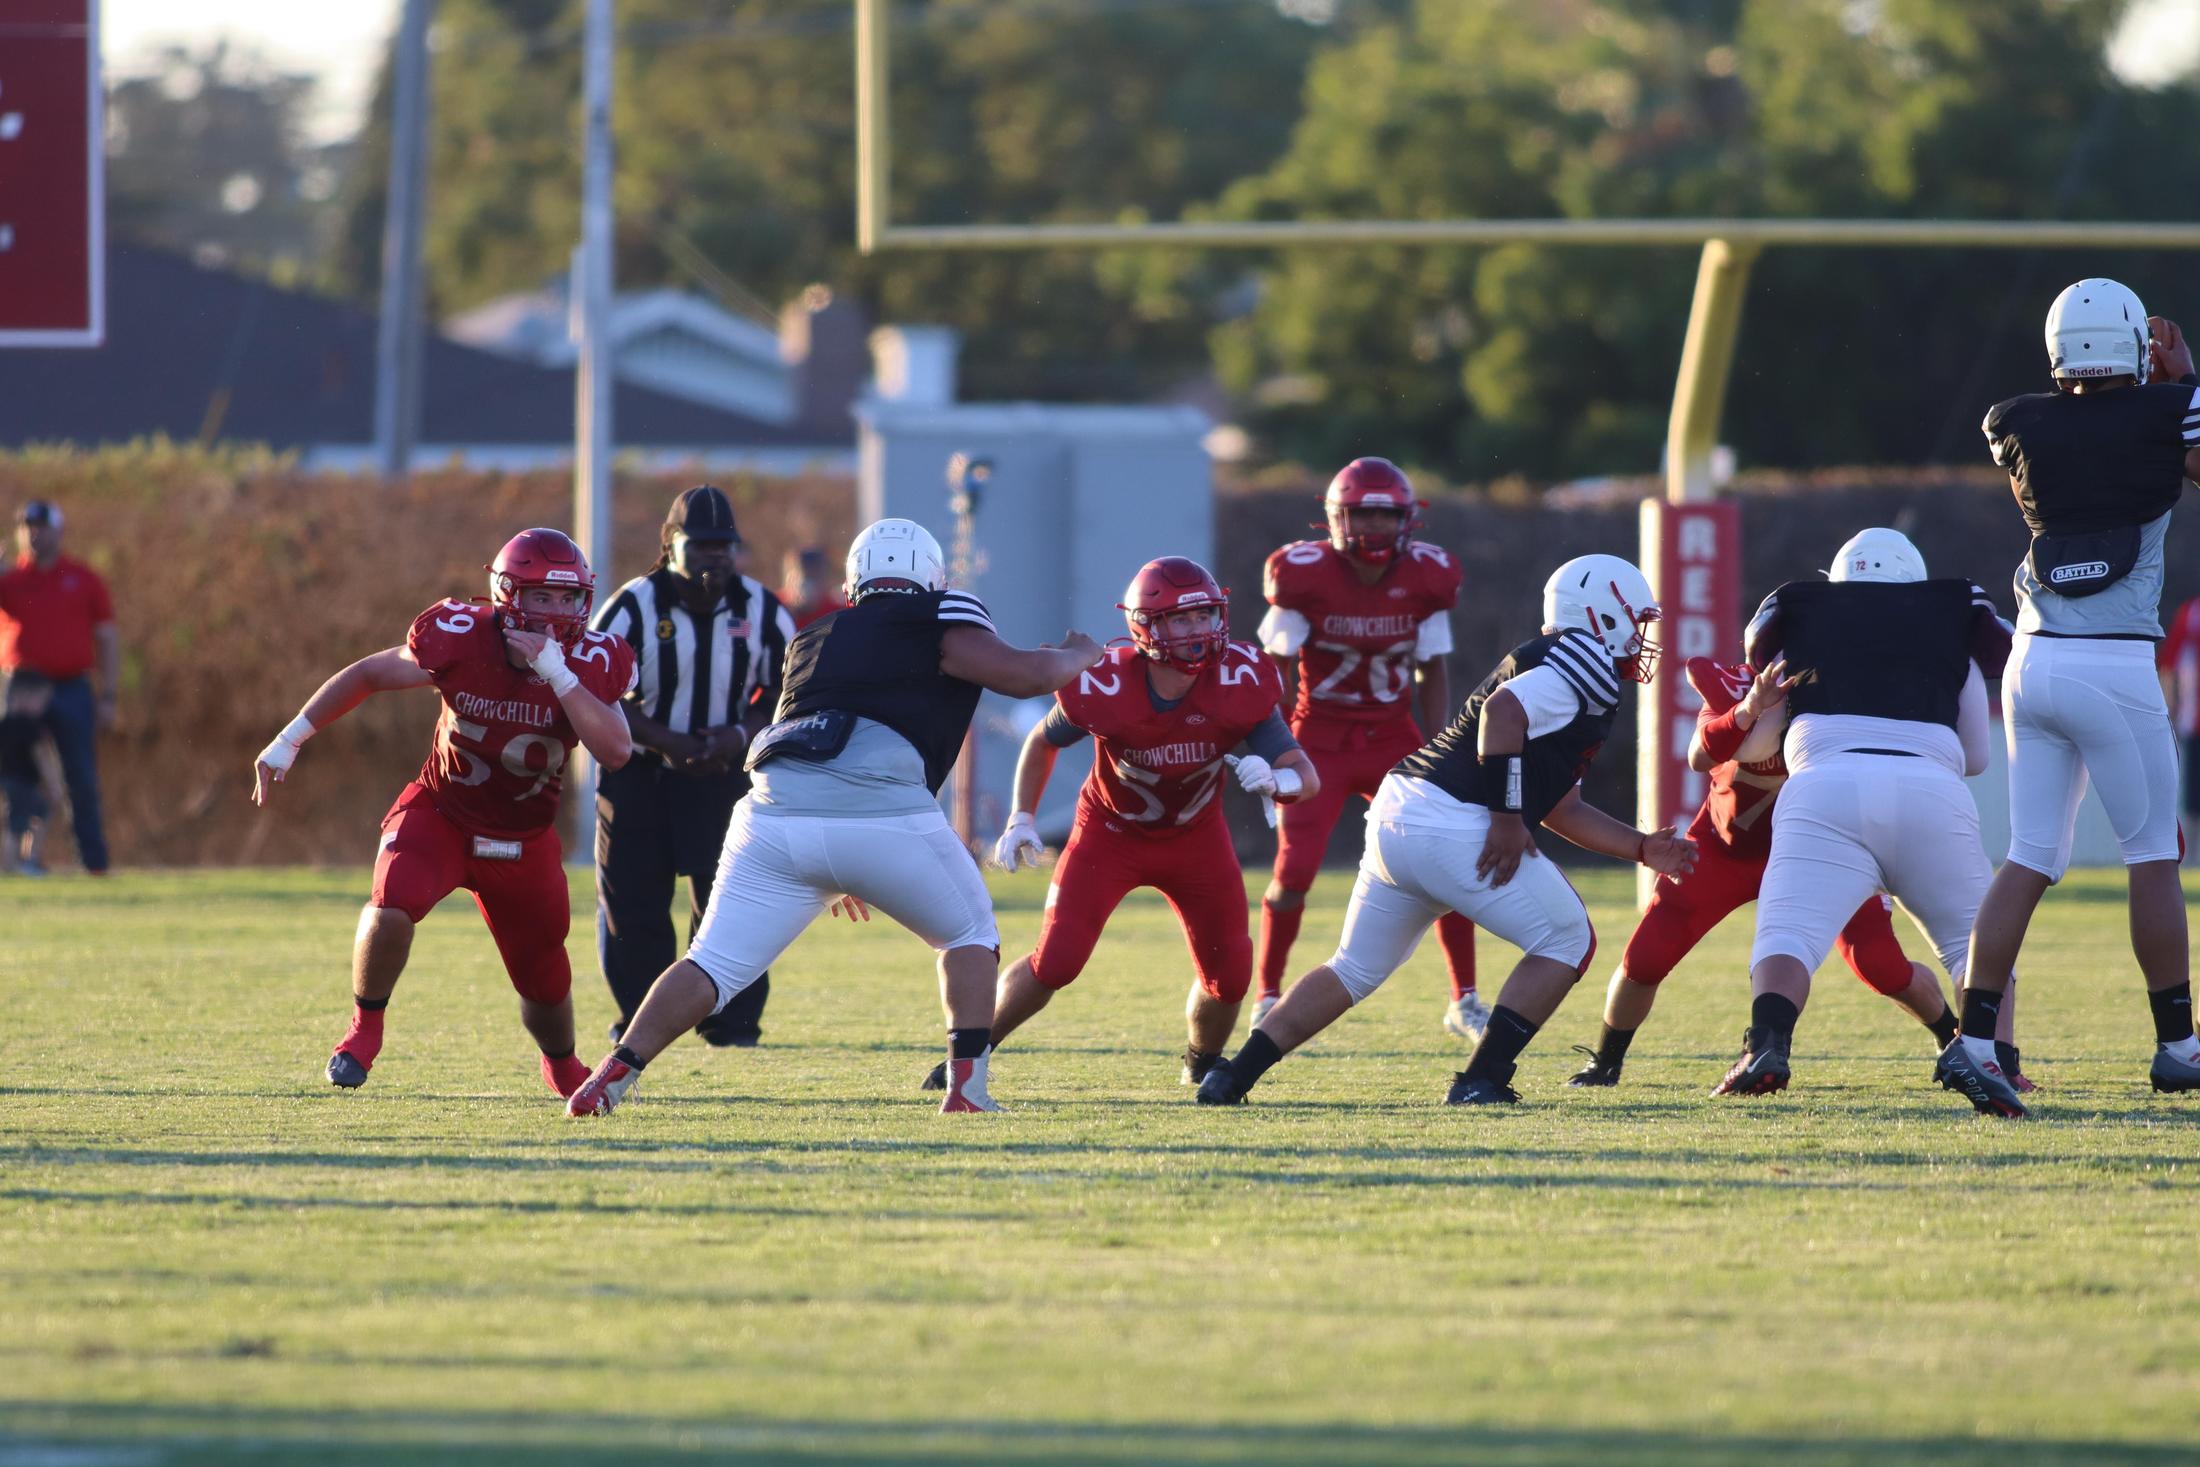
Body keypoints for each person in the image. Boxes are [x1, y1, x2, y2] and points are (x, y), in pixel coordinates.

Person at [566, 518, 1104, 1118]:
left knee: (710, 963)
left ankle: (609, 1076)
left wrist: (838, 862)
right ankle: (966, 1090)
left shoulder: (815, 635)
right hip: (879, 809)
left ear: (854, 583)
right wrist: (1081, 652)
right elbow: (1028, 676)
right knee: (969, 936)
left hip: (770, 817)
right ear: (932, 579)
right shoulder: (938, 612)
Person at [1198, 554, 1695, 1108]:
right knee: (1567, 940)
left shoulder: (1560, 661)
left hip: (1401, 812)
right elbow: (1503, 713)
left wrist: (1642, 847)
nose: (1643, 636)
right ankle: (1481, 1079)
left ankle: (1231, 1077)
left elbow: (1561, 807)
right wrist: (1507, 819)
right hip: (1453, 818)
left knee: (1354, 968)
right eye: (1638, 619)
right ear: (1605, 615)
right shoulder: (1584, 657)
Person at [1570, 535, 2016, 1088]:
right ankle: (1606, 1061)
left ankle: (1952, 1038)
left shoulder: (1884, 669)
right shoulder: (1764, 673)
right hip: (1732, 846)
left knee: (1883, 966)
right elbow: (1701, 755)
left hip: (1827, 843)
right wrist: (1751, 709)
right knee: (1648, 956)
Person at [252, 528, 637, 1097]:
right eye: (541, 597)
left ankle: (561, 1066)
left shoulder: (593, 658)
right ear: (507, 595)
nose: (557, 612)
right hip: (444, 813)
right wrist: (289, 738)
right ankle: (363, 1031)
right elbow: (369, 675)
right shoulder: (460, 636)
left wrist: (560, 674)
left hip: (524, 837)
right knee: (390, 907)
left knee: (546, 983)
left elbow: (616, 750)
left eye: (568, 598)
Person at [919, 556, 1319, 1092]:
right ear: (1146, 626)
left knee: (1230, 979)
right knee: (1056, 962)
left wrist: (1279, 783)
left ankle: (1202, 1063)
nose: (1198, 630)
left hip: (1196, 838)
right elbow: (1043, 740)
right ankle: (968, 1055)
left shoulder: (1240, 679)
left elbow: (1304, 775)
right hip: (1109, 835)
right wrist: (1022, 815)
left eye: (1204, 616)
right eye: (1181, 619)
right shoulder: (1105, 681)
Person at [1954, 279, 2200, 1114]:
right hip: (2114, 665)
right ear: (2133, 342)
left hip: (2033, 664)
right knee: (2152, 854)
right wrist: (2184, 381)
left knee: (2029, 854)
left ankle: (1976, 1039)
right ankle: (2178, 1045)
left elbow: (2083, 434)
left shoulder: (2016, 419)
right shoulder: (2169, 413)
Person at [1715, 529, 2000, 1101]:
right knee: (1975, 945)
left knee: (1787, 936)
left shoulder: (1800, 637)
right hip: (1930, 790)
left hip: (1824, 787)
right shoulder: (1953, 639)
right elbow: (1976, 758)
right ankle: (1993, 1059)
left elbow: (1749, 750)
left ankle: (1765, 1045)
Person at [1254, 457, 1484, 1042]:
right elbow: (1276, 672)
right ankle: (1268, 995)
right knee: (1295, 871)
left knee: (1446, 858)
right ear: (1337, 517)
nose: (1376, 528)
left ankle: (1465, 998)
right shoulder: (1301, 575)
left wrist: (1440, 748)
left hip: (1392, 738)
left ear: (1407, 520)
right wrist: (1269, 745)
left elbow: (1433, 670)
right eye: (1364, 515)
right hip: (1318, 739)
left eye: (1387, 516)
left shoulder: (1428, 578)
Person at [592, 487, 797, 1048]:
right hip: (639, 773)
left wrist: (736, 735)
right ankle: (639, 1022)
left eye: (724, 545)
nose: (715, 557)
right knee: (634, 903)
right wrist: (667, 742)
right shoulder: (632, 605)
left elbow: (790, 687)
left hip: (724, 773)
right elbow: (595, 692)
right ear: (669, 545)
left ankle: (730, 1023)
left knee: (733, 899)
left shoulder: (763, 608)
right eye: (701, 545)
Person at [0, 500, 118, 873]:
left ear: (58, 530)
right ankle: (14, 860)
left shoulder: (82, 579)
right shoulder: (9, 581)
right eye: (26, 526)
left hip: (70, 687)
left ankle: (93, 864)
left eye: (41, 526)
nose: (33, 533)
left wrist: (109, 694)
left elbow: (107, 637)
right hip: (19, 689)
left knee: (79, 776)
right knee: (14, 778)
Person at [2157, 591, 2200, 852]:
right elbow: (2169, 665)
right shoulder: (2192, 613)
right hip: (2195, 724)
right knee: (2194, 799)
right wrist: (2168, 712)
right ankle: (2194, 859)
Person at [0, 668, 52, 875]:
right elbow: (42, 756)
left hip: (6, 783)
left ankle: (24, 861)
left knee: (27, 819)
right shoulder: (30, 727)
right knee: (17, 826)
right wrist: (54, 784)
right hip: (23, 784)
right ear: (24, 696)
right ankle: (13, 866)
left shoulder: (3, 725)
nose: (43, 708)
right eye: (41, 701)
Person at [781, 546, 848, 630]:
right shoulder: (776, 610)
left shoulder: (836, 613)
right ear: (789, 579)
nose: (808, 586)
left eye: (815, 577)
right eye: (802, 577)